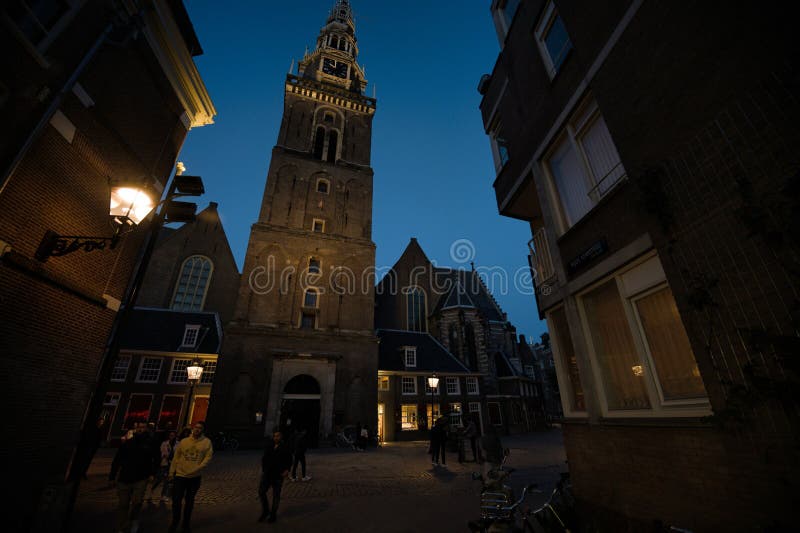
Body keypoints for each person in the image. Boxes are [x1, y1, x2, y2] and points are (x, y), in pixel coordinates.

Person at [109, 421, 160, 533]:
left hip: (141, 477)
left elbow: (156, 458)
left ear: (146, 429)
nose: (140, 429)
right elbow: (117, 459)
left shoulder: (151, 442)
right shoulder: (127, 441)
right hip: (124, 477)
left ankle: (134, 521)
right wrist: (112, 476)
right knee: (123, 504)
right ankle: (121, 527)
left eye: (143, 427)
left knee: (137, 502)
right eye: (138, 427)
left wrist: (152, 473)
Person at [169, 421, 213, 533]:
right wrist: (171, 472)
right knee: (176, 500)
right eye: (196, 427)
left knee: (189, 501)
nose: (197, 429)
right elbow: (176, 457)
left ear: (203, 430)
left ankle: (185, 523)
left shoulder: (207, 443)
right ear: (192, 429)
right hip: (180, 475)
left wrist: (198, 468)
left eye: (200, 428)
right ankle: (175, 521)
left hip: (194, 477)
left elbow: (208, 458)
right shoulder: (184, 442)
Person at [258, 430, 292, 523]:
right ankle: (266, 511)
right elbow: (264, 458)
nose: (276, 438)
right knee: (261, 492)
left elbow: (289, 459)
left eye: (278, 436)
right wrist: (264, 469)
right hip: (268, 473)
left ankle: (273, 515)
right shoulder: (269, 446)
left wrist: (287, 470)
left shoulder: (285, 446)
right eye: (275, 436)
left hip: (278, 474)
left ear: (281, 437)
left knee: (276, 495)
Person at [149, 430, 177, 503]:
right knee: (159, 479)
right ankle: (152, 490)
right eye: (171, 435)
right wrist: (167, 456)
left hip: (172, 465)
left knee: (168, 480)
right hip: (164, 463)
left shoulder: (178, 444)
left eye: (173, 435)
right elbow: (162, 453)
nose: (172, 437)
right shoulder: (165, 443)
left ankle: (163, 495)